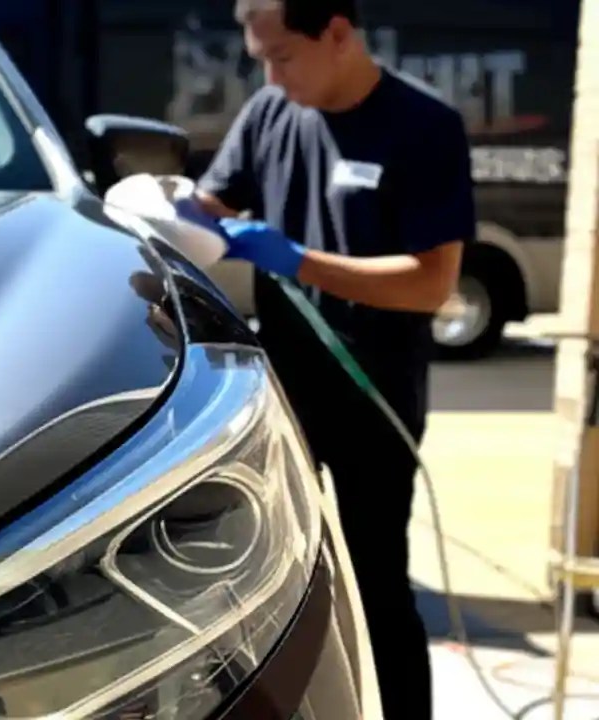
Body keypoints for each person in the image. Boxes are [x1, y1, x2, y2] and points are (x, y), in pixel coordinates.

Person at [188, 0, 475, 717]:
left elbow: (431, 284)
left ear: (339, 34)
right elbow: (210, 207)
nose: (272, 76)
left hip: (375, 397)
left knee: (378, 582)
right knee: (262, 583)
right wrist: (169, 210)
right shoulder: (269, 116)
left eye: (282, 56)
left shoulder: (423, 128)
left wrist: (299, 261)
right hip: (285, 394)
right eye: (260, 60)